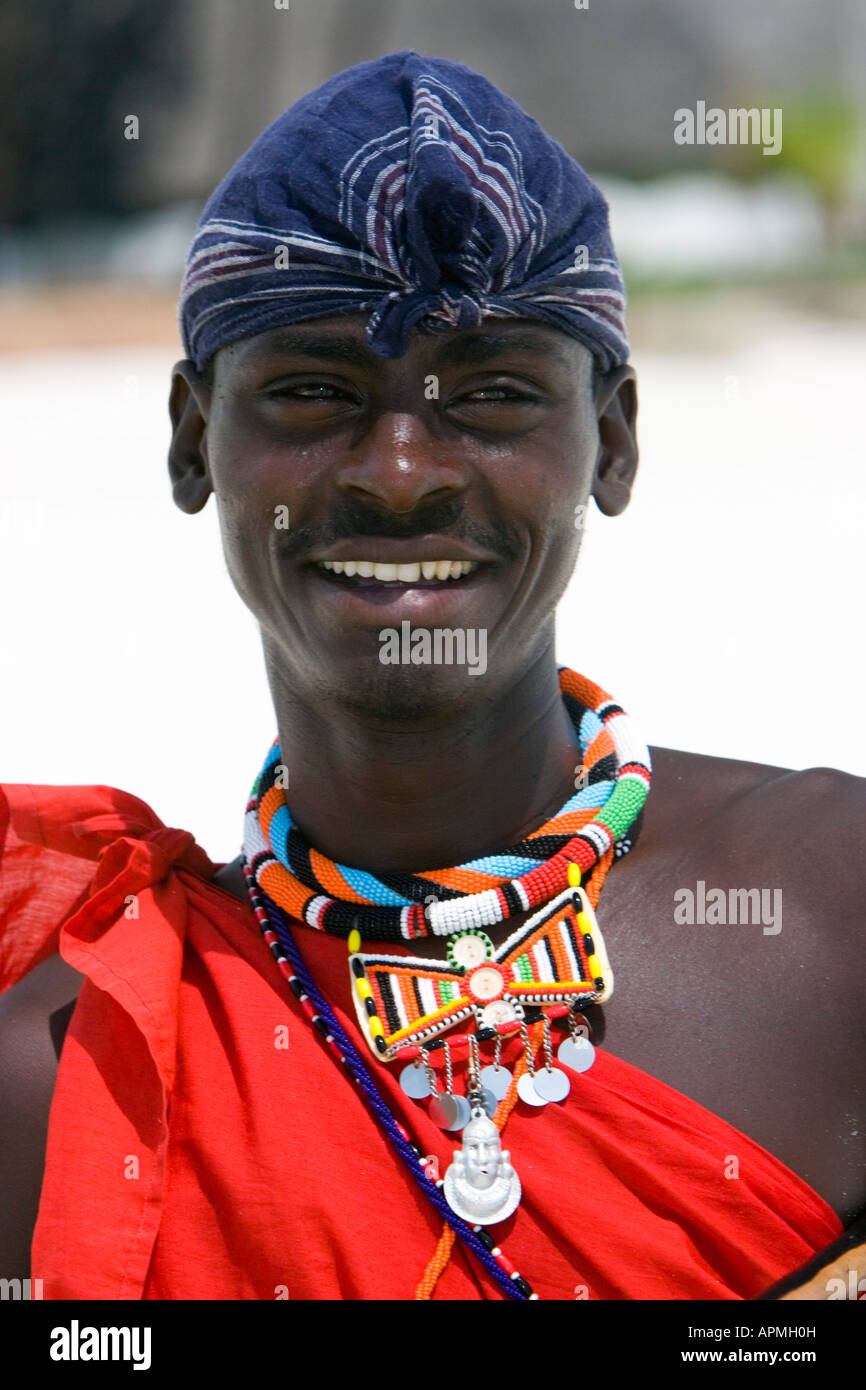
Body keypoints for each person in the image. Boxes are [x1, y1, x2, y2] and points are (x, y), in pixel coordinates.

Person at [1, 51, 863, 1302]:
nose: (398, 473)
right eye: (311, 390)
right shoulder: (76, 1060)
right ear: (195, 440)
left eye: (493, 395)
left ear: (611, 443)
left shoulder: (836, 918)